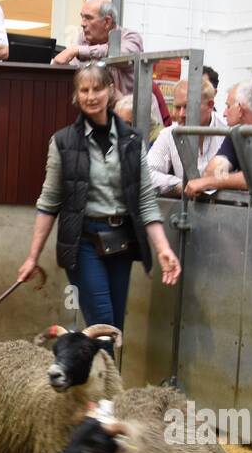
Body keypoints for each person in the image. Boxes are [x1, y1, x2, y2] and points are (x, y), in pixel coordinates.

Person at [17, 62, 180, 338]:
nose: (91, 96)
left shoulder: (132, 140)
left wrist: (163, 247)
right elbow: (49, 201)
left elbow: (144, 198)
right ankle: (103, 380)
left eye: (97, 88)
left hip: (122, 241)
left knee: (115, 329)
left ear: (110, 90)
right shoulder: (63, 142)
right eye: (84, 90)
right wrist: (32, 257)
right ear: (76, 95)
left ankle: (100, 380)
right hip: (83, 243)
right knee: (102, 325)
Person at [52, 0, 171, 125]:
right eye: (82, 17)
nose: (82, 23)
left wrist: (79, 51)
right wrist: (59, 63)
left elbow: (121, 55)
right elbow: (77, 71)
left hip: (140, 123)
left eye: (88, 18)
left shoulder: (130, 38)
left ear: (107, 21)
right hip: (106, 123)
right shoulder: (83, 41)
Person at [147, 77, 225, 197]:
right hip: (186, 210)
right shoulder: (169, 134)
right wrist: (182, 185)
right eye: (177, 107)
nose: (181, 114)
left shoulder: (226, 130)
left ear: (210, 105)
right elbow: (147, 173)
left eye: (188, 107)